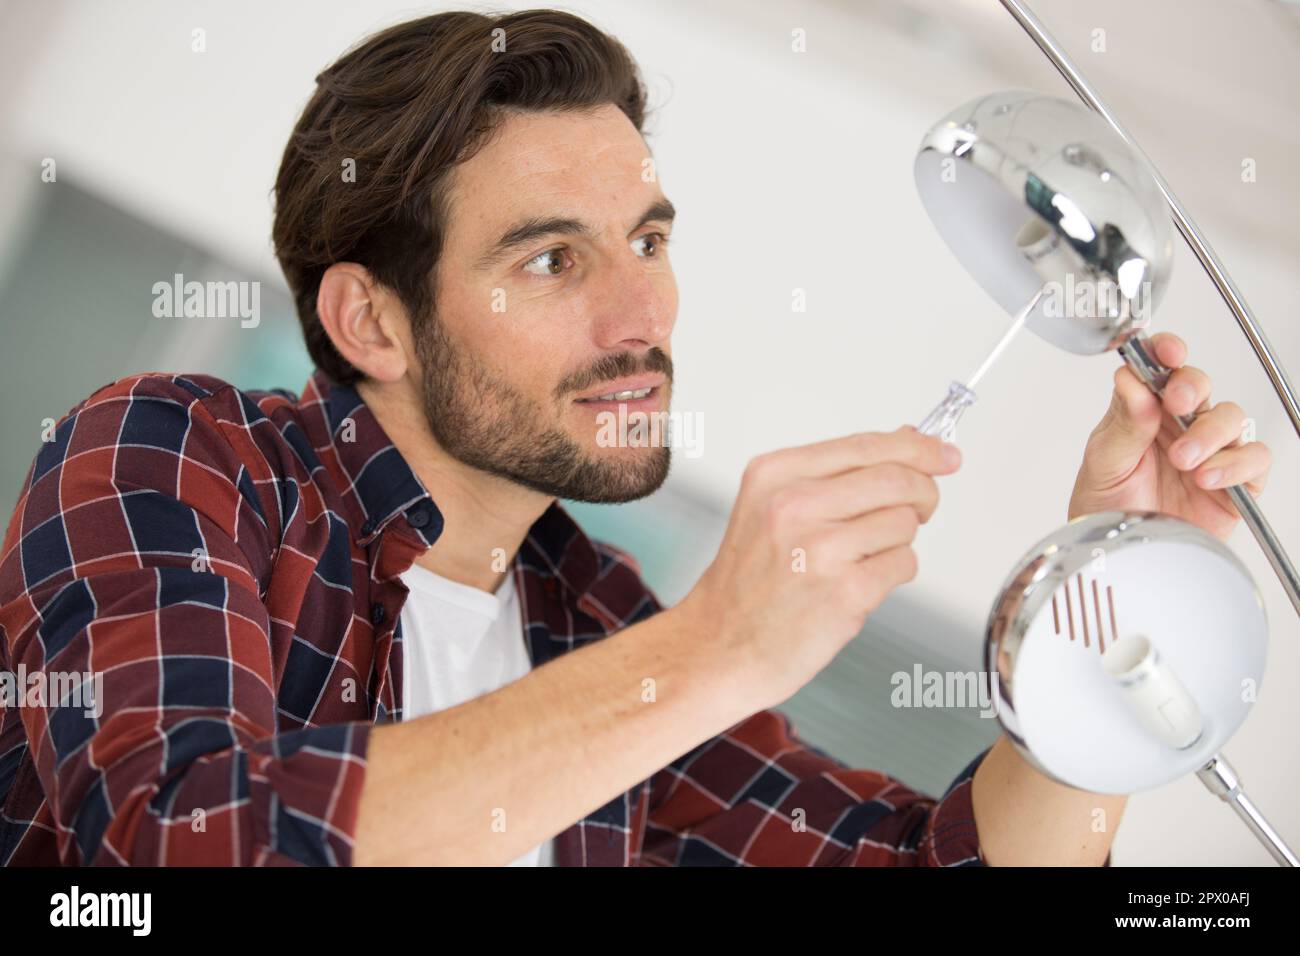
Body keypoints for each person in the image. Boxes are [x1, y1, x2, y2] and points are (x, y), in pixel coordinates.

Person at [0, 9, 1271, 867]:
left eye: (649, 241)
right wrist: (720, 643)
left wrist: (1105, 591)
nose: (641, 312)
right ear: (371, 321)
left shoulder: (594, 622)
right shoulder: (173, 453)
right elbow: (175, 841)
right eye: (553, 257)